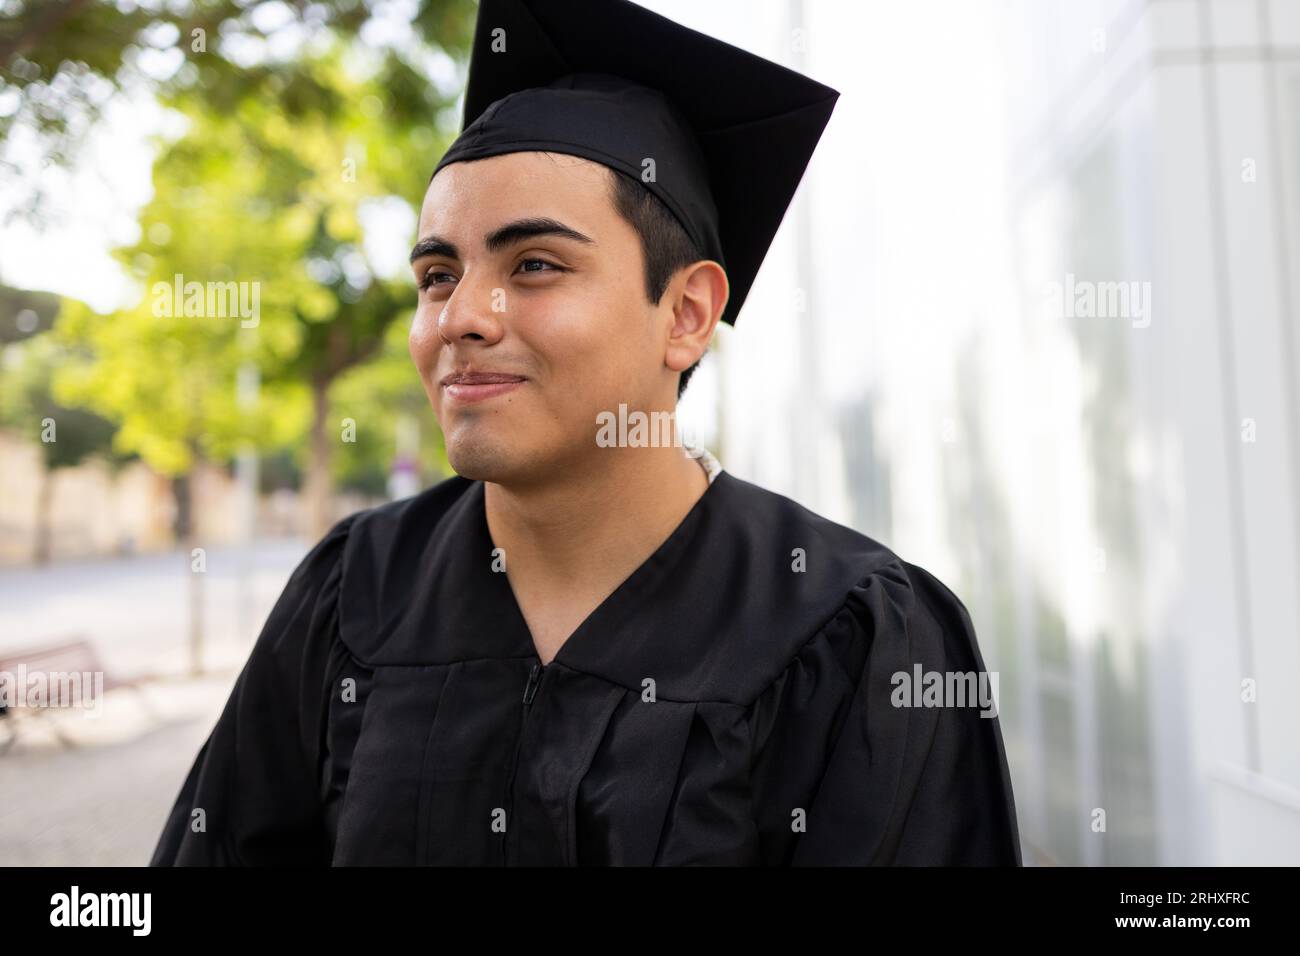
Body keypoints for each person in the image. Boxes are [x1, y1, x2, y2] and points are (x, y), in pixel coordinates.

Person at [152, 0, 1021, 866]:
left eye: (534, 265)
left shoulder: (852, 633)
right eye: (436, 274)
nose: (460, 317)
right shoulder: (355, 594)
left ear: (685, 314)